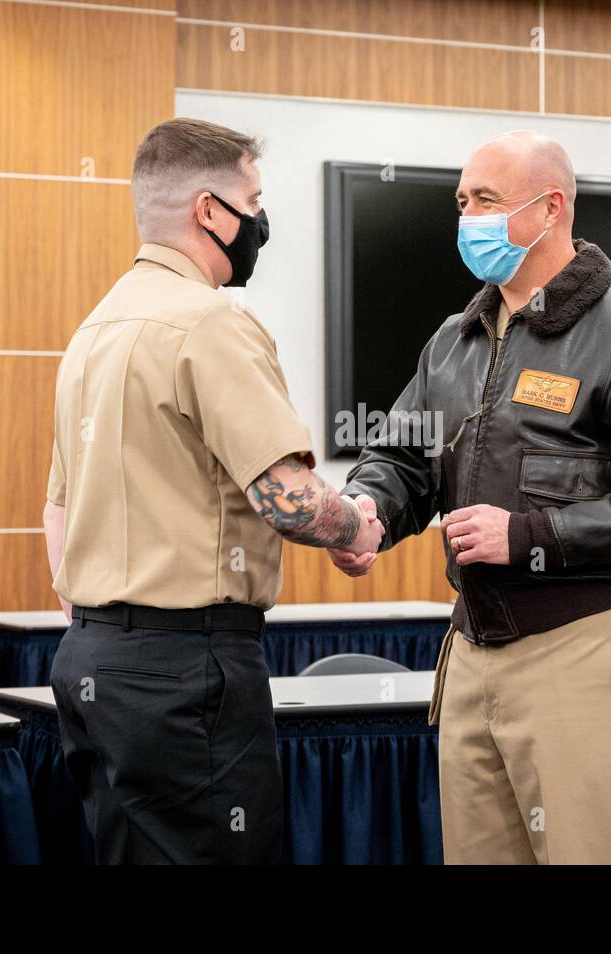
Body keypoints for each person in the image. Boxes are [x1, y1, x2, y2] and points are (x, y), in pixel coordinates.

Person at [331, 130, 611, 864]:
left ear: (551, 209)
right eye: (461, 201)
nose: (466, 218)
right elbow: (401, 458)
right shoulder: (454, 340)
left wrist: (532, 536)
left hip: (584, 651)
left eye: (486, 200)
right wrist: (368, 513)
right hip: (473, 651)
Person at [43, 118, 382, 864]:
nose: (260, 220)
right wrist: (355, 527)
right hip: (185, 676)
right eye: (253, 200)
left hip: (91, 664)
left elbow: (58, 509)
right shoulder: (209, 325)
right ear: (208, 211)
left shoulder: (91, 333)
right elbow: (286, 499)